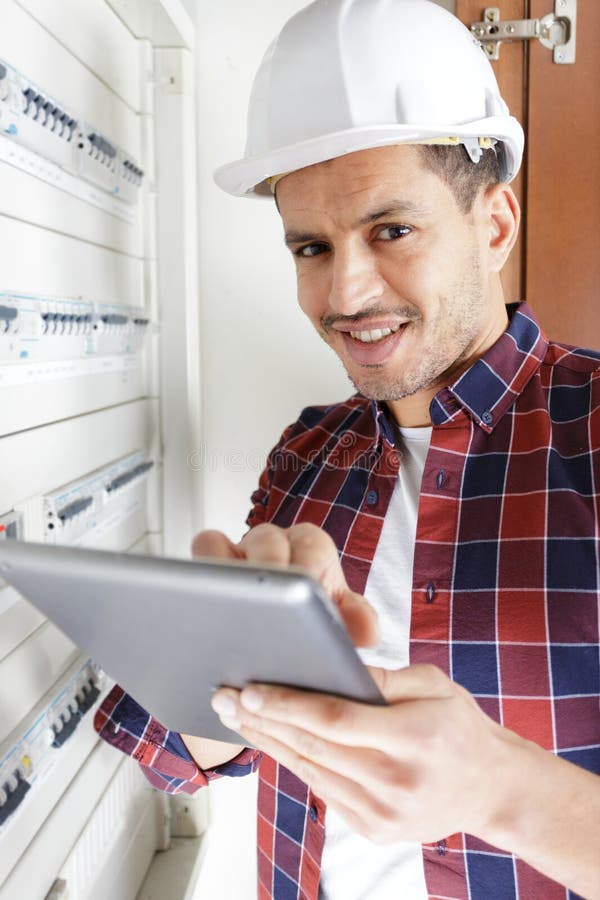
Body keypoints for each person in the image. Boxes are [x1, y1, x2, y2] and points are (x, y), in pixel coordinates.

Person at [94, 1, 600, 897]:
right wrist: (241, 673)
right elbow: (176, 754)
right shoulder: (307, 456)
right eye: (312, 247)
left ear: (494, 224)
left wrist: (503, 790)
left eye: (391, 230)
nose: (347, 290)